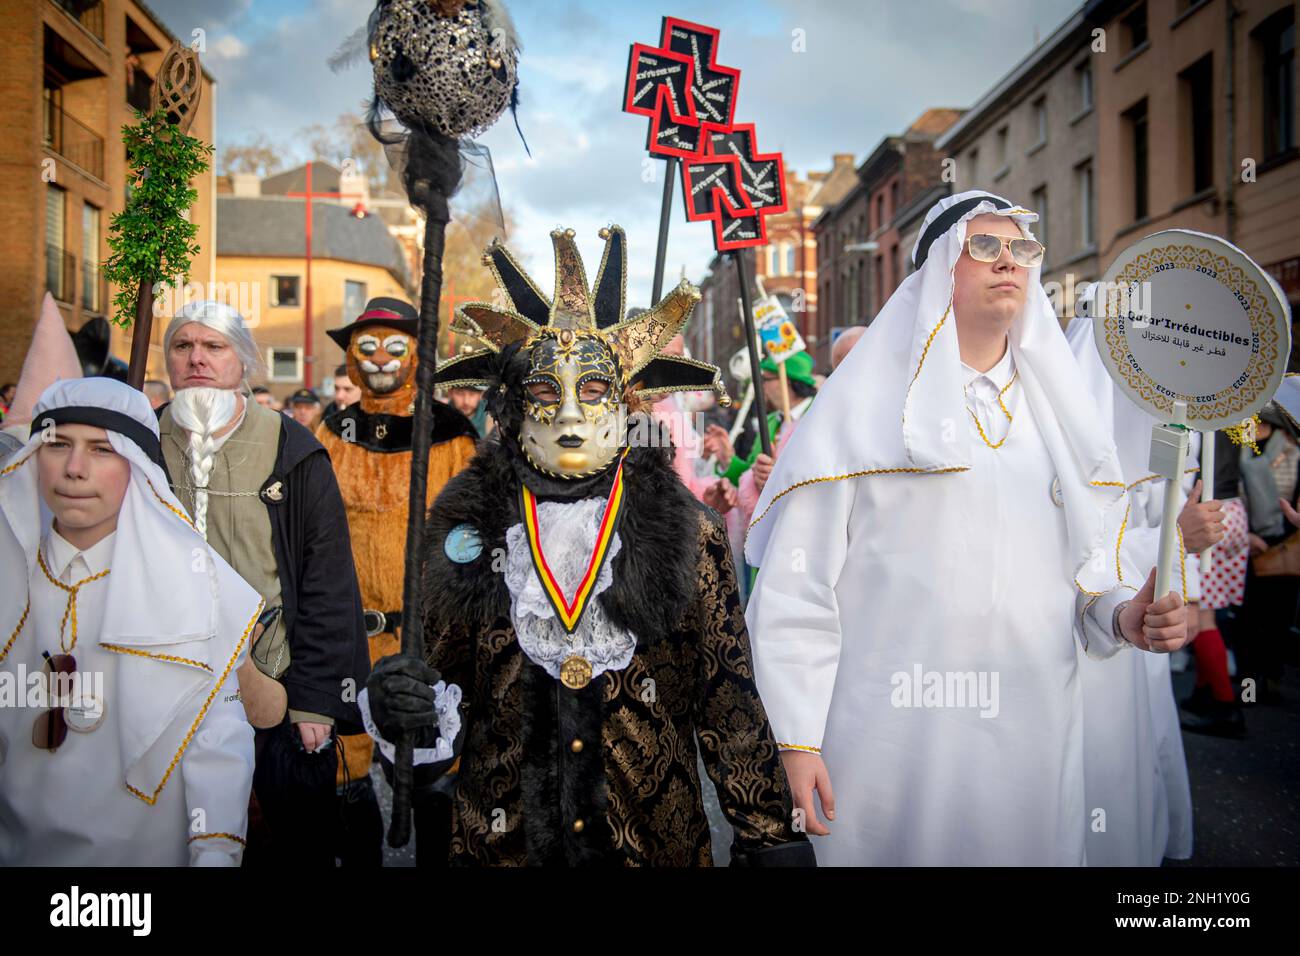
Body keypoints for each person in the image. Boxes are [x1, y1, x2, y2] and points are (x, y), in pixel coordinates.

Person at [744, 192, 1190, 866]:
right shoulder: (861, 412)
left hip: (1034, 740)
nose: (1008, 261)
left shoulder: (1061, 415)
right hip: (888, 743)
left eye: (1023, 250)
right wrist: (797, 738)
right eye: (984, 247)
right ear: (935, 271)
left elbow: (1088, 581)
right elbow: (798, 590)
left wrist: (1124, 617)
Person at [363, 226, 813, 866]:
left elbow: (727, 698)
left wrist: (768, 836)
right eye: (546, 391)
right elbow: (441, 688)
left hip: (653, 844)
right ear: (513, 404)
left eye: (594, 390)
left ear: (627, 401)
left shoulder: (684, 530)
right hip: (504, 845)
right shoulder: (470, 525)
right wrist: (400, 704)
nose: (570, 414)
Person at [0, 378, 260, 864]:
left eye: (101, 449)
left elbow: (216, 735)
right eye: (57, 445)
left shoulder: (196, 585)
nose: (74, 470)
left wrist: (214, 850)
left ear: (137, 466)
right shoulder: (7, 573)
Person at [156, 300, 370, 867]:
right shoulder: (140, 443)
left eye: (214, 347)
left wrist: (316, 703)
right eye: (183, 346)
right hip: (162, 687)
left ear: (243, 362)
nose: (197, 358)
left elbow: (327, 579)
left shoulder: (292, 449)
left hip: (270, 683)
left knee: (283, 846)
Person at [317, 296, 478, 866]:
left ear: (416, 353)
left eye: (394, 347)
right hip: (349, 639)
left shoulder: (453, 433)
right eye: (367, 348)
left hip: (427, 636)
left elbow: (474, 531)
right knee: (344, 774)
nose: (381, 359)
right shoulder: (332, 433)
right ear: (353, 359)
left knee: (437, 773)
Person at [1066, 301, 1199, 864]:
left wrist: (1182, 539)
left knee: (1133, 751)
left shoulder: (1154, 436)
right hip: (1072, 642)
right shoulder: (1065, 441)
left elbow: (1134, 544)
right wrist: (1176, 538)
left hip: (1128, 627)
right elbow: (1086, 556)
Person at [737, 352, 817, 528]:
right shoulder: (771, 420)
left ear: (785, 381)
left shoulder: (818, 415)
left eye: (765, 379)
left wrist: (780, 475)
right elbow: (750, 468)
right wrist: (726, 458)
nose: (762, 386)